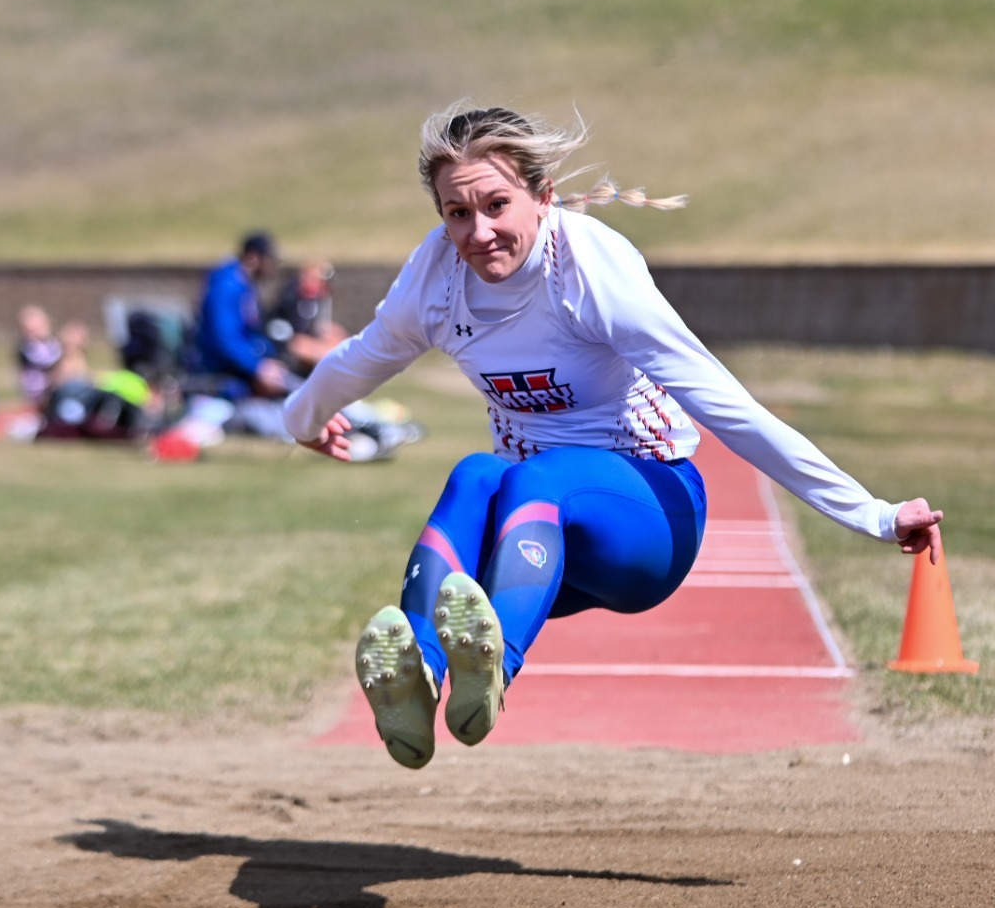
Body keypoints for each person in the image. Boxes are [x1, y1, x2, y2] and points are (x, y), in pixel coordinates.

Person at [282, 105, 943, 769]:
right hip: (533, 543)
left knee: (530, 476)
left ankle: (491, 671)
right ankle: (417, 681)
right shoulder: (435, 281)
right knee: (475, 475)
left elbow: (728, 406)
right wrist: (301, 421)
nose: (478, 232)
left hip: (650, 521)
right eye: (458, 213)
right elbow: (358, 359)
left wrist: (877, 516)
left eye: (496, 205)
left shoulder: (590, 272)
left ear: (542, 198)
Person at [194, 231, 289, 401]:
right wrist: (257, 368)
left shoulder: (245, 285)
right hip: (222, 374)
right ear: (253, 257)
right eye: (268, 259)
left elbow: (252, 334)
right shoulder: (226, 287)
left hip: (242, 368)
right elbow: (224, 339)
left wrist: (270, 358)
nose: (271, 266)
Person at [267, 259, 349, 373]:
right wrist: (320, 348)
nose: (323, 286)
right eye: (318, 280)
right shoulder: (292, 299)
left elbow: (319, 329)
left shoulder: (314, 301)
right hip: (281, 359)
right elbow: (295, 343)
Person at [16, 305, 64, 406]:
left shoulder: (54, 342)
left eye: (37, 329)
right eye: (29, 331)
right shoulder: (26, 347)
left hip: (57, 388)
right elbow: (46, 363)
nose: (34, 334)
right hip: (37, 390)